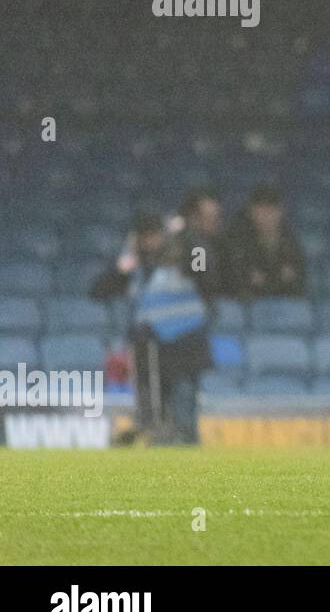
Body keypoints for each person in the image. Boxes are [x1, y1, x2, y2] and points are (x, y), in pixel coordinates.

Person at [91, 211, 212, 444]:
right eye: (145, 236)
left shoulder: (187, 259)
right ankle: (161, 447)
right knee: (158, 413)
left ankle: (185, 448)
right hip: (153, 354)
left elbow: (204, 268)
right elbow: (98, 291)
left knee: (184, 405)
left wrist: (189, 236)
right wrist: (120, 270)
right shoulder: (135, 270)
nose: (150, 242)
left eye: (154, 235)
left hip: (185, 348)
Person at [224, 184, 307, 299]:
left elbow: (299, 278)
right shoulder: (236, 240)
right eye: (262, 210)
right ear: (251, 212)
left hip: (284, 303)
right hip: (248, 304)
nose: (267, 216)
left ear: (280, 212)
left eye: (271, 210)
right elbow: (233, 278)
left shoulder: (290, 242)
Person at [174, 185, 228, 300]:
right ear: (194, 217)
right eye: (209, 217)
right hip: (194, 305)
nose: (215, 222)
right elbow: (201, 280)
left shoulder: (219, 241)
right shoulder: (196, 247)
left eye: (217, 217)